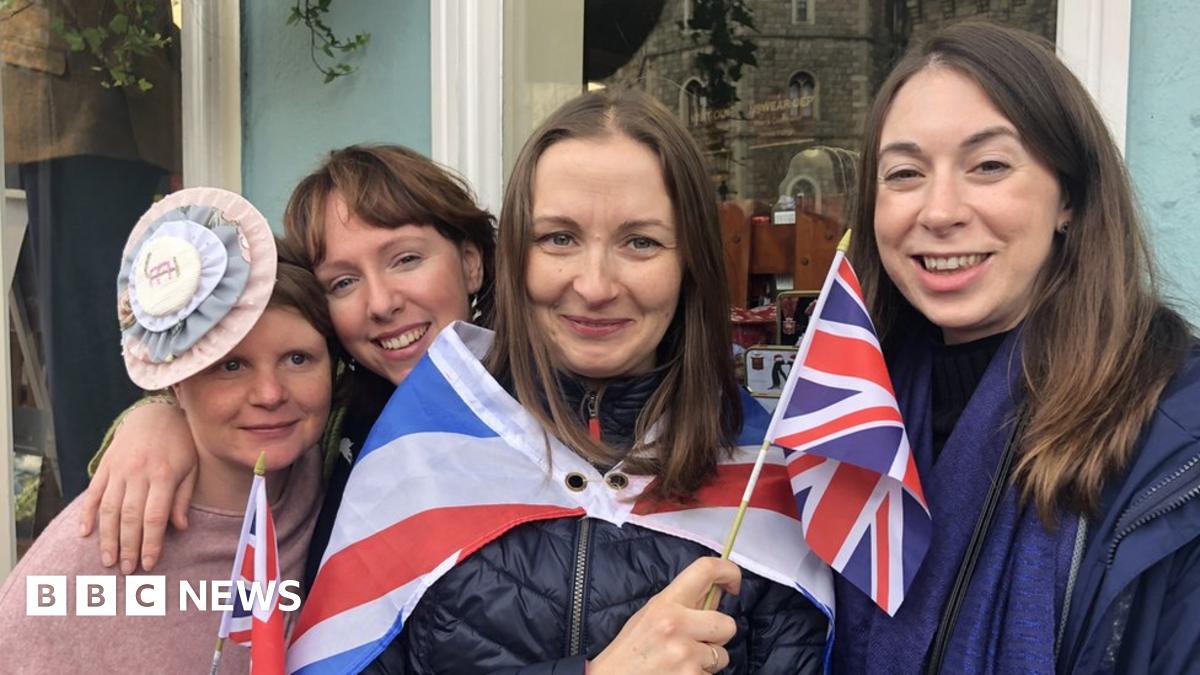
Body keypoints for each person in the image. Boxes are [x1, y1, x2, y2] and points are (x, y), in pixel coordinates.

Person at [296, 89, 828, 674]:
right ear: (518, 256)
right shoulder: (411, 448)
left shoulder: (762, 474)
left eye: (641, 241)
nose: (595, 285)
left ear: (690, 263)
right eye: (559, 238)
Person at [835, 22, 1199, 673]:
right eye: (905, 172)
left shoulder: (1176, 434)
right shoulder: (849, 418)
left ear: (1070, 196)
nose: (939, 210)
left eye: (990, 165)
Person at [78, 144, 495, 586]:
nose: (381, 303)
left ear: (470, 264)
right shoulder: (340, 412)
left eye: (406, 259)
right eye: (344, 282)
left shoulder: (541, 407)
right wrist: (158, 416)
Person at [0, 188, 334, 673]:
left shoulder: (341, 478)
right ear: (174, 380)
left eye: (298, 359)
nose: (269, 393)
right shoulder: (89, 553)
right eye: (232, 366)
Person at [2, 0, 181, 499]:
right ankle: (98, 506)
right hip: (62, 92)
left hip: (146, 93)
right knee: (85, 332)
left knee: (160, 310)